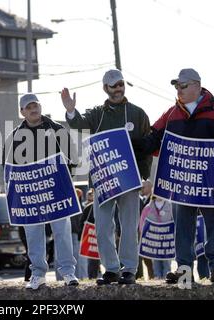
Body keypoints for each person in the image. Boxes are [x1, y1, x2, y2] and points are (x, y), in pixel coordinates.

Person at [133, 68, 214, 283]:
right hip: (182, 183)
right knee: (183, 225)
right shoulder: (171, 114)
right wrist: (136, 144)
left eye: (183, 86)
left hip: (210, 182)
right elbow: (154, 136)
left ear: (197, 85)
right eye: (177, 86)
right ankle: (184, 269)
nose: (179, 90)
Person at [62, 69, 153, 285]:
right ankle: (111, 270)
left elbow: (147, 147)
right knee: (102, 227)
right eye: (113, 86)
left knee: (129, 226)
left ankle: (129, 269)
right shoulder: (97, 113)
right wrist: (71, 111)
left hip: (130, 180)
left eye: (120, 84)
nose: (118, 89)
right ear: (105, 88)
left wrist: (145, 176)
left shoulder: (137, 113)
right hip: (103, 179)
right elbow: (79, 126)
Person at [4, 93, 79, 290]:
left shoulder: (56, 129)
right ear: (22, 112)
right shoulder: (14, 137)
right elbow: (8, 168)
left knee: (62, 231)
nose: (33, 109)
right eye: (28, 107)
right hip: (30, 195)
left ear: (40, 106)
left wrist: (64, 179)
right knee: (33, 233)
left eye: (35, 105)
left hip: (56, 192)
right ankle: (37, 273)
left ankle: (68, 272)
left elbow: (73, 158)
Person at [139, 196, 173, 279]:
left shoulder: (170, 205)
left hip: (167, 240)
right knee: (156, 263)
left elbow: (174, 220)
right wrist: (143, 235)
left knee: (167, 263)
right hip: (153, 240)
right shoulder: (148, 207)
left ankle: (167, 280)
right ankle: (157, 279)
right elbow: (142, 223)